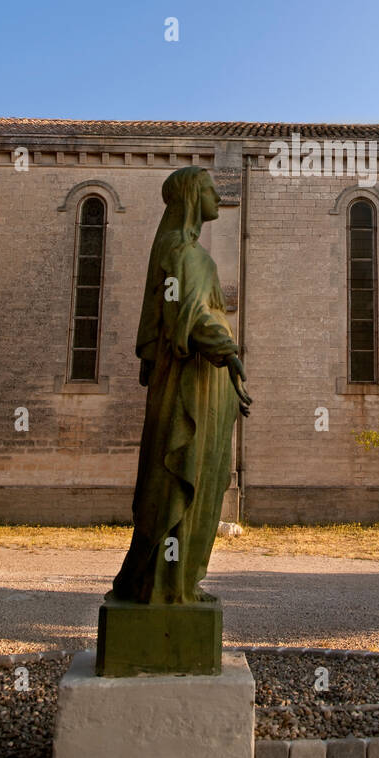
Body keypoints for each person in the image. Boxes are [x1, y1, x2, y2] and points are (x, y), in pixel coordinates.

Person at [111, 166, 251, 604]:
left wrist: (227, 363)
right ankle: (161, 586)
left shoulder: (181, 251)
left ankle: (181, 581)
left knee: (204, 481)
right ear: (192, 196)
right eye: (209, 190)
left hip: (206, 383)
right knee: (178, 477)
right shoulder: (182, 254)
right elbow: (185, 315)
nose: (216, 197)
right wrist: (227, 349)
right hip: (191, 385)